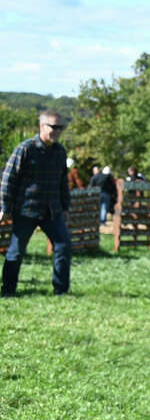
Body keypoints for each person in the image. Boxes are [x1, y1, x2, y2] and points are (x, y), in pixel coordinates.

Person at [1, 111, 72, 296]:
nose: (57, 131)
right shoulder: (26, 148)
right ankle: (8, 291)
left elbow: (63, 182)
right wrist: (5, 207)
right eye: (53, 127)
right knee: (16, 252)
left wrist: (65, 207)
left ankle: (61, 290)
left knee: (63, 246)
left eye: (60, 128)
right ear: (42, 126)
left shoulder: (60, 152)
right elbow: (9, 179)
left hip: (52, 211)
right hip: (26, 210)